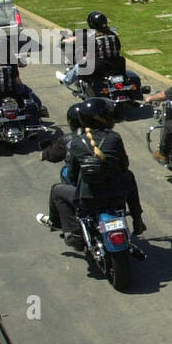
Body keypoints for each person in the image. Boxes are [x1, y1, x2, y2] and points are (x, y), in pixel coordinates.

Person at [34, 98, 137, 249]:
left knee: (57, 191)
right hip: (117, 196)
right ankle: (138, 219)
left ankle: (74, 232)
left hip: (89, 199)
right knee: (129, 176)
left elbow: (73, 176)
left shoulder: (76, 142)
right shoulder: (114, 137)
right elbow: (124, 165)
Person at [55, 11, 123, 93]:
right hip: (117, 66)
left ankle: (66, 80)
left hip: (98, 68)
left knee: (78, 66)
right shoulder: (113, 35)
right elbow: (118, 48)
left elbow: (70, 41)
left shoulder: (89, 36)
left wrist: (63, 41)